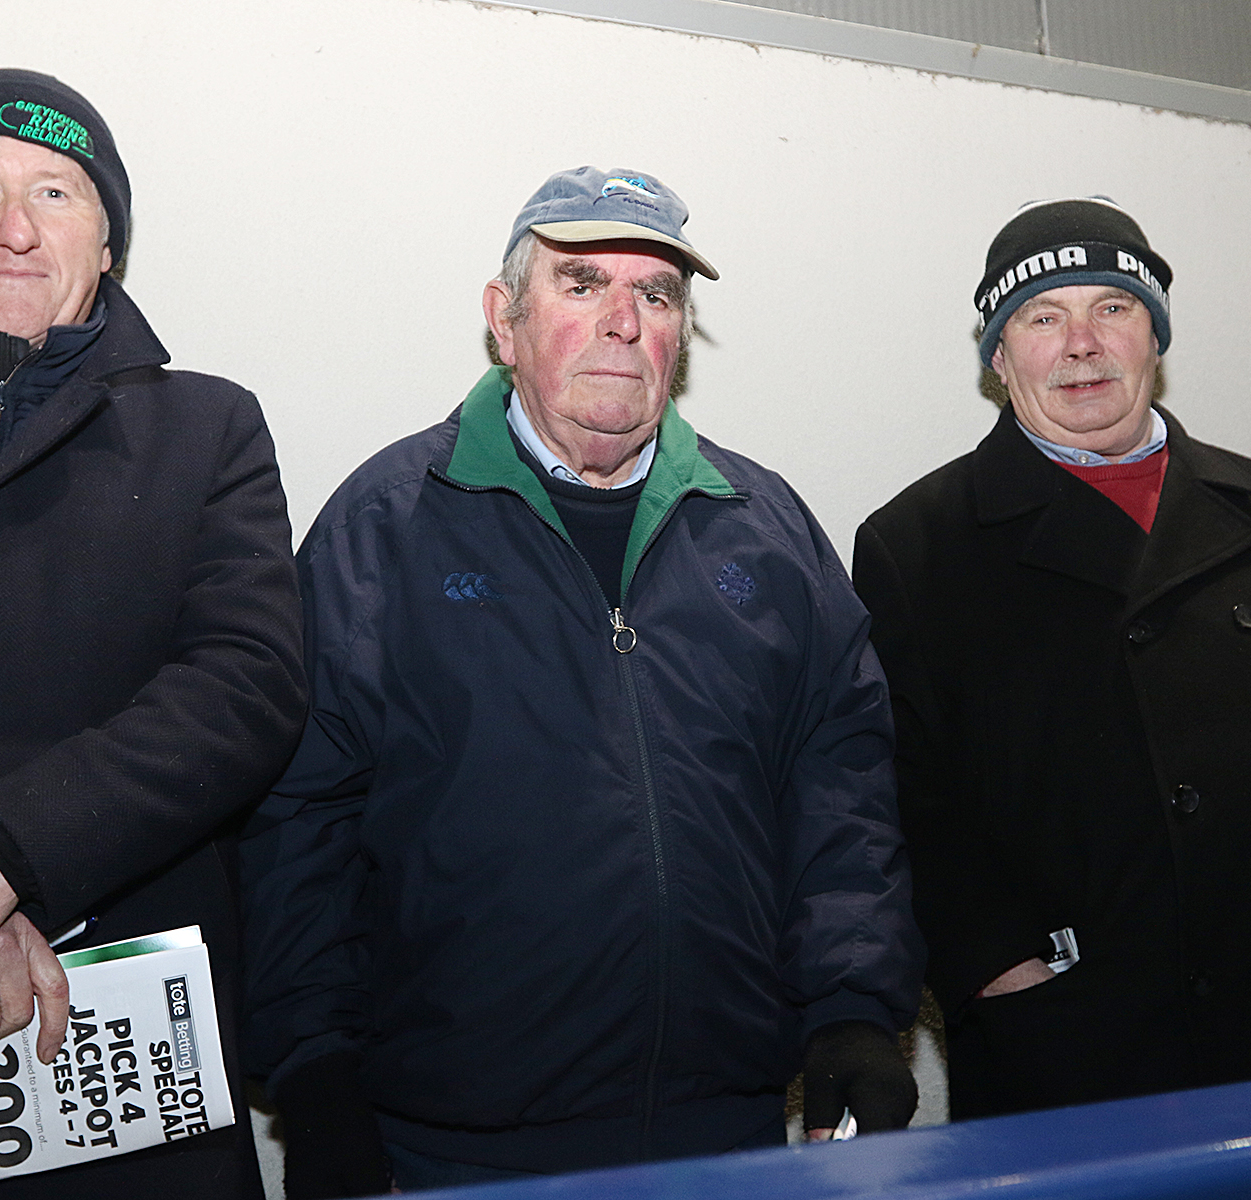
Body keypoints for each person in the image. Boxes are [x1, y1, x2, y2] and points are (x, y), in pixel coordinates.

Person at [240, 165, 923, 1195]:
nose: (621, 321)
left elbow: (844, 793)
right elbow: (299, 815)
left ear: (680, 338)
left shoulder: (768, 531)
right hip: (452, 1144)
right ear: (503, 322)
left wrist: (856, 1008)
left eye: (655, 294)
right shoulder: (387, 526)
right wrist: (314, 1070)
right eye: (580, 284)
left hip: (727, 1132)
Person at [0, 69, 306, 1196]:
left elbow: (247, 686)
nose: (17, 228)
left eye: (58, 194)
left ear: (107, 243)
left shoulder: (211, 428)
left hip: (130, 1058)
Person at [852, 196, 1251, 1120]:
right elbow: (897, 798)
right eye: (1043, 317)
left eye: (1113, 309)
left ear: (1154, 341)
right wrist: (1002, 974)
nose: (1082, 343)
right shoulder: (918, 545)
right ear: (1000, 357)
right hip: (1089, 1051)